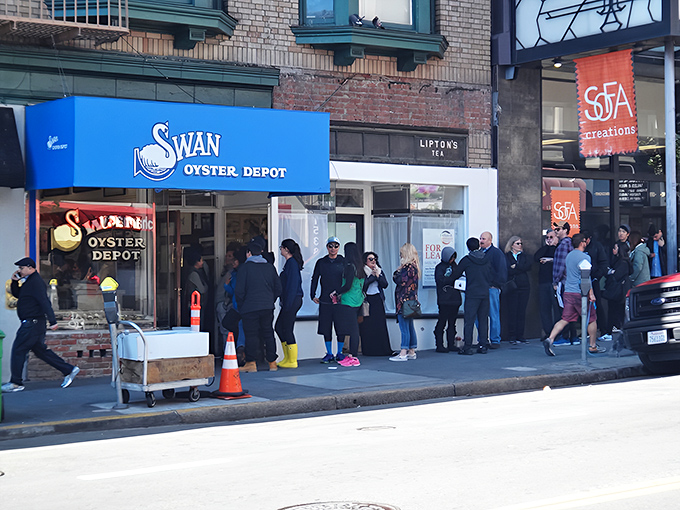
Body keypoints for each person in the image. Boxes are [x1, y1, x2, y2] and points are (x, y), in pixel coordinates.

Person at [2, 257, 80, 393]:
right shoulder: (29, 282)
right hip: (34, 323)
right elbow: (18, 295)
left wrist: (53, 321)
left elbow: (44, 302)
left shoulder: (36, 282)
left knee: (18, 350)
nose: (19, 271)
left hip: (32, 323)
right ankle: (68, 369)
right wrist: (15, 282)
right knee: (40, 351)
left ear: (29, 268)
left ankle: (16, 383)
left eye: (21, 268)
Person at [542, 234, 606, 357]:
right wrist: (591, 294)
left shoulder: (569, 256)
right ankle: (592, 346)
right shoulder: (584, 258)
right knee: (591, 319)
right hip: (580, 293)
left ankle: (550, 338)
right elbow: (585, 278)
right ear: (583, 243)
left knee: (565, 318)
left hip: (568, 291)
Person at [235, 241, 282, 373]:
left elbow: (239, 291)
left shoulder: (244, 268)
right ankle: (272, 363)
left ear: (248, 253)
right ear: (261, 252)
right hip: (267, 306)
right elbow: (278, 289)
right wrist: (270, 300)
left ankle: (251, 363)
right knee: (268, 332)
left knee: (251, 335)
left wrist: (242, 306)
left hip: (250, 307)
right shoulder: (270, 267)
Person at [451, 237, 492, 356]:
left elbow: (456, 274)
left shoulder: (467, 260)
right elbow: (491, 274)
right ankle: (483, 345)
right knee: (483, 320)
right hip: (484, 293)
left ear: (468, 247)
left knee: (469, 321)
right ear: (479, 246)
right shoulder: (486, 259)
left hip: (472, 294)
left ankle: (467, 347)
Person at [310, 236, 346, 363]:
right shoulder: (321, 262)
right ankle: (329, 353)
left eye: (336, 246)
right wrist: (312, 294)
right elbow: (315, 278)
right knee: (326, 327)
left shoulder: (343, 261)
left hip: (340, 299)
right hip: (325, 298)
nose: (333, 248)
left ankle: (340, 352)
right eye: (330, 246)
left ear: (339, 247)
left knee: (340, 326)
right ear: (327, 247)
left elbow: (349, 279)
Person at [275, 238, 304, 369]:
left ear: (286, 249)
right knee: (280, 327)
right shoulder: (290, 263)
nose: (280, 249)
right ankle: (287, 357)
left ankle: (292, 360)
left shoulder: (291, 263)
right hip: (290, 300)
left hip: (292, 300)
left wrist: (288, 303)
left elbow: (292, 285)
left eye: (281, 247)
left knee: (286, 328)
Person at [335, 242, 365, 366]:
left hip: (348, 301)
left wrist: (336, 292)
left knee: (353, 330)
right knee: (354, 329)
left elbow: (347, 285)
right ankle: (352, 355)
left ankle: (353, 357)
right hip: (358, 300)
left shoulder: (349, 266)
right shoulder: (360, 267)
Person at [389, 243, 420, 362]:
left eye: (401, 254)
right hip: (412, 301)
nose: (400, 256)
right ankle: (412, 350)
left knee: (404, 327)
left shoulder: (406, 269)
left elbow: (399, 280)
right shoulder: (415, 267)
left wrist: (396, 271)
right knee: (410, 326)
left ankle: (403, 352)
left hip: (403, 301)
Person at [359, 251, 392, 356]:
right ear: (365, 261)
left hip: (377, 299)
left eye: (374, 259)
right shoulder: (363, 271)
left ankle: (383, 349)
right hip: (367, 300)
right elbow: (363, 286)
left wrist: (377, 275)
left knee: (380, 324)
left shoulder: (379, 270)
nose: (373, 261)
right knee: (367, 325)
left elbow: (385, 284)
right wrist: (372, 277)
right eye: (370, 259)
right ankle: (369, 350)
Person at [479, 231, 506, 348]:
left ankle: (495, 340)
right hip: (481, 287)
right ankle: (482, 339)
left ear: (490, 240)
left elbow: (502, 269)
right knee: (479, 315)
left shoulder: (496, 253)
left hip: (492, 288)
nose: (481, 240)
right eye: (480, 238)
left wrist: (497, 284)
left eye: (484, 239)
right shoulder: (479, 253)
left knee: (493, 314)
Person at [503, 236, 532, 344]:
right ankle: (512, 335)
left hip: (524, 286)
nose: (520, 245)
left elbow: (528, 266)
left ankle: (520, 335)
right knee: (512, 311)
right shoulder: (507, 256)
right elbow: (507, 269)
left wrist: (516, 267)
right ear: (512, 245)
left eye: (521, 243)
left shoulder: (524, 256)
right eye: (518, 243)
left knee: (521, 311)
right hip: (512, 286)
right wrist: (518, 268)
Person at [433, 246, 462, 353]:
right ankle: (439, 345)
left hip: (455, 299)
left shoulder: (456, 266)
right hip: (444, 299)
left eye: (453, 258)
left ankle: (451, 344)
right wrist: (452, 279)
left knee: (452, 322)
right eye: (451, 258)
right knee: (442, 321)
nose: (452, 260)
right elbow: (440, 281)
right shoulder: (439, 267)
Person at [583, 229, 610, 342]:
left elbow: (603, 263)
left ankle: (604, 330)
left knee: (597, 304)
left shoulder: (596, 247)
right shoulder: (582, 247)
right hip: (584, 279)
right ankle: (588, 330)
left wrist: (597, 276)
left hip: (593, 279)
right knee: (585, 305)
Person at [552, 220, 575, 343]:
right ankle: (573, 336)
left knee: (563, 310)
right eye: (556, 229)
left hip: (563, 282)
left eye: (558, 229)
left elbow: (560, 266)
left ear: (565, 230)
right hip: (570, 281)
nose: (556, 231)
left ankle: (564, 336)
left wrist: (555, 281)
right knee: (570, 309)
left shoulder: (563, 245)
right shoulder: (569, 244)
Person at [603, 241, 631, 339]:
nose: (613, 250)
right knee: (617, 312)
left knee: (617, 311)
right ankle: (614, 330)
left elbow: (616, 275)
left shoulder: (622, 263)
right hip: (619, 291)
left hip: (618, 291)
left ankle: (610, 332)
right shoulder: (618, 261)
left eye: (615, 248)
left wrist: (610, 273)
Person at [223, 248, 247, 365]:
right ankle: (240, 348)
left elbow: (237, 291)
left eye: (235, 260)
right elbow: (233, 291)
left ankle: (240, 349)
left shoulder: (241, 273)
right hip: (237, 306)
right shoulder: (234, 273)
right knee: (230, 323)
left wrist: (227, 286)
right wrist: (226, 286)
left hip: (241, 306)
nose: (233, 262)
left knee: (239, 326)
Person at [534, 229, 559, 339]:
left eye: (551, 237)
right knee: (544, 308)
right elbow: (536, 257)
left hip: (554, 281)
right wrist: (547, 246)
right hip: (543, 281)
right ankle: (548, 332)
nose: (549, 240)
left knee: (557, 308)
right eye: (547, 237)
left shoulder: (559, 249)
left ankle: (557, 332)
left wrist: (550, 259)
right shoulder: (544, 249)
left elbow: (560, 260)